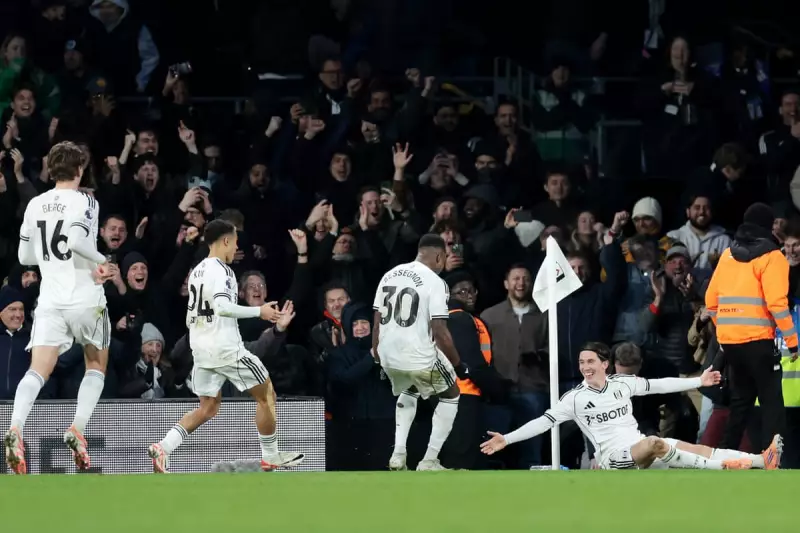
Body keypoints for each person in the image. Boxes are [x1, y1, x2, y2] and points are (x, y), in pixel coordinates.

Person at [147, 221, 304, 473]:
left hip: (201, 349)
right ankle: (271, 456)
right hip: (225, 347)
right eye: (236, 242)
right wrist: (259, 311)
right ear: (226, 241)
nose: (237, 247)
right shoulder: (223, 271)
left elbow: (190, 316)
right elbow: (221, 307)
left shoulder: (198, 270)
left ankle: (163, 447)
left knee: (208, 407)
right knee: (267, 395)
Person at [480, 342, 783, 470]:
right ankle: (731, 468)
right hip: (613, 460)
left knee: (698, 449)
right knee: (656, 442)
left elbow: (660, 384)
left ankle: (760, 460)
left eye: (590, 361)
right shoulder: (574, 398)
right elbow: (543, 422)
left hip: (639, 447)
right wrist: (506, 438)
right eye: (581, 362)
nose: (585, 366)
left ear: (604, 364)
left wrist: (698, 382)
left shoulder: (623, 384)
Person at [5, 141, 114, 475]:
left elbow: (25, 258)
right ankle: (77, 429)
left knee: (37, 371)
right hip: (85, 298)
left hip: (50, 300)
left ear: (52, 170)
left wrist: (52, 260)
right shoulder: (86, 200)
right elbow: (77, 241)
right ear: (80, 170)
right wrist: (103, 261)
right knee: (96, 365)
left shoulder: (36, 203)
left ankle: (15, 429)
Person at [705, 203, 797, 452]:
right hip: (759, 340)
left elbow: (710, 302)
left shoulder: (727, 255)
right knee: (771, 401)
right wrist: (792, 342)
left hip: (731, 343)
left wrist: (725, 328)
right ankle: (774, 456)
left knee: (741, 401)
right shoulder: (772, 257)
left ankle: (725, 452)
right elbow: (777, 304)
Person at [372, 234, 467, 471]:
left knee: (410, 389)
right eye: (444, 257)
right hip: (416, 354)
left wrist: (376, 353)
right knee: (451, 394)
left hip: (387, 353)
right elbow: (440, 331)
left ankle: (398, 454)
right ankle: (429, 460)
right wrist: (458, 365)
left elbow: (376, 321)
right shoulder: (435, 282)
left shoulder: (389, 275)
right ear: (437, 255)